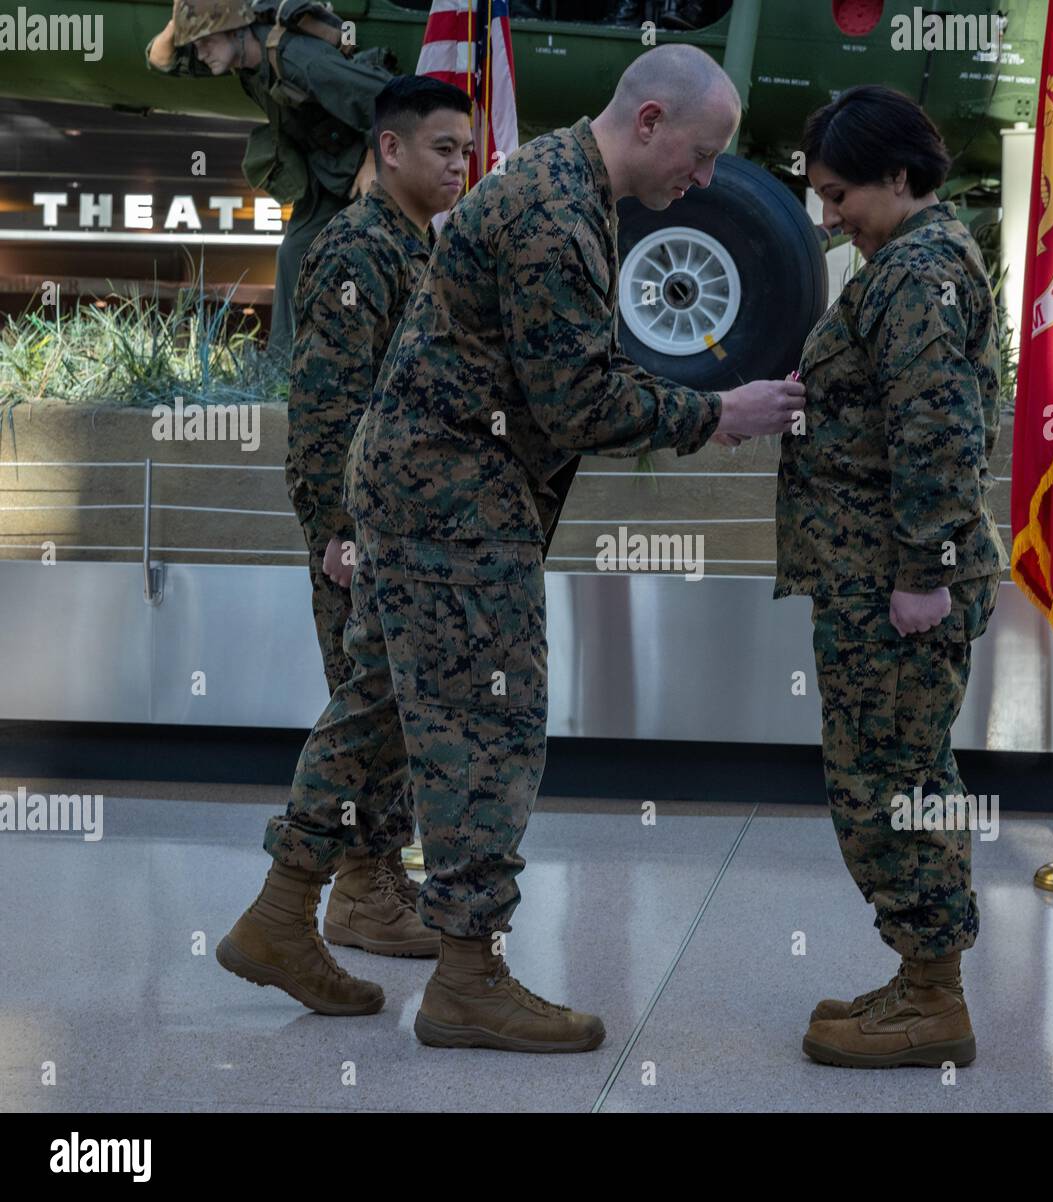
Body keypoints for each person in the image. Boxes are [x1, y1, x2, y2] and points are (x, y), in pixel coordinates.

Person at [216, 43, 805, 1048]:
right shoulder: (550, 206)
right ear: (651, 120)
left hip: (423, 487)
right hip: (453, 501)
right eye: (700, 155)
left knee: (380, 704)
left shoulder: (563, 189)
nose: (703, 180)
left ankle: (279, 913)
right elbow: (577, 399)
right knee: (490, 725)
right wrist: (716, 410)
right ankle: (467, 976)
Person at [774, 84, 1007, 1069]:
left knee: (890, 783)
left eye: (840, 196)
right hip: (878, 571)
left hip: (896, 583)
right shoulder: (914, 258)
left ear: (898, 179)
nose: (829, 217)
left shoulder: (916, 270)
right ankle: (921, 975)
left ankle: (931, 998)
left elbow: (937, 429)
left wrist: (927, 571)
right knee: (907, 775)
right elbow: (892, 407)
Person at [278, 76, 475, 970]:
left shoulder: (416, 245)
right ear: (390, 149)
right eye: (444, 148)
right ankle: (358, 890)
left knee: (393, 705)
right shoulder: (360, 250)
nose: (460, 164)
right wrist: (337, 528)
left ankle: (381, 875)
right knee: (367, 702)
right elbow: (327, 407)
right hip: (362, 531)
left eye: (466, 149)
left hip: (407, 525)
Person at [146, 0, 394, 354]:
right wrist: (182, 18)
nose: (200, 55)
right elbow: (160, 60)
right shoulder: (237, 56)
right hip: (327, 170)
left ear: (234, 30)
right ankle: (284, 370)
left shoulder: (297, 58)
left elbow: (387, 96)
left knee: (380, 265)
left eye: (205, 43)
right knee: (294, 255)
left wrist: (374, 159)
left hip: (363, 167)